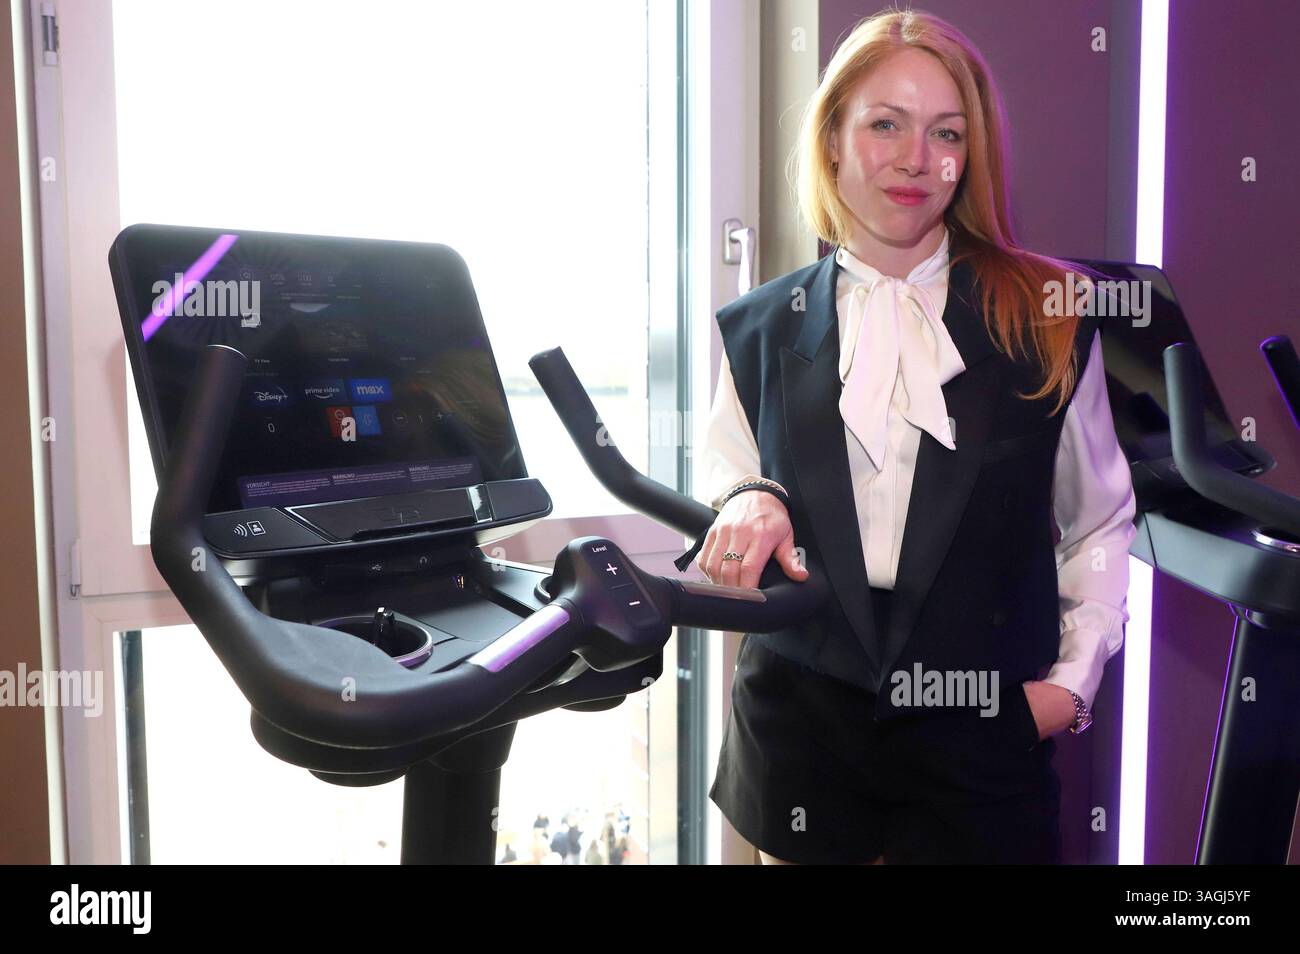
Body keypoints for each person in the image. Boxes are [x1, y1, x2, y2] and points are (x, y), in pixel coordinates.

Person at [696, 8, 1136, 865]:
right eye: (884, 125)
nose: (915, 158)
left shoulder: (1049, 317)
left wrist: (1071, 687)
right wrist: (748, 498)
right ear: (831, 140)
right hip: (801, 735)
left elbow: (1100, 520)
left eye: (945, 133)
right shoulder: (755, 328)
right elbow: (734, 471)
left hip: (982, 742)